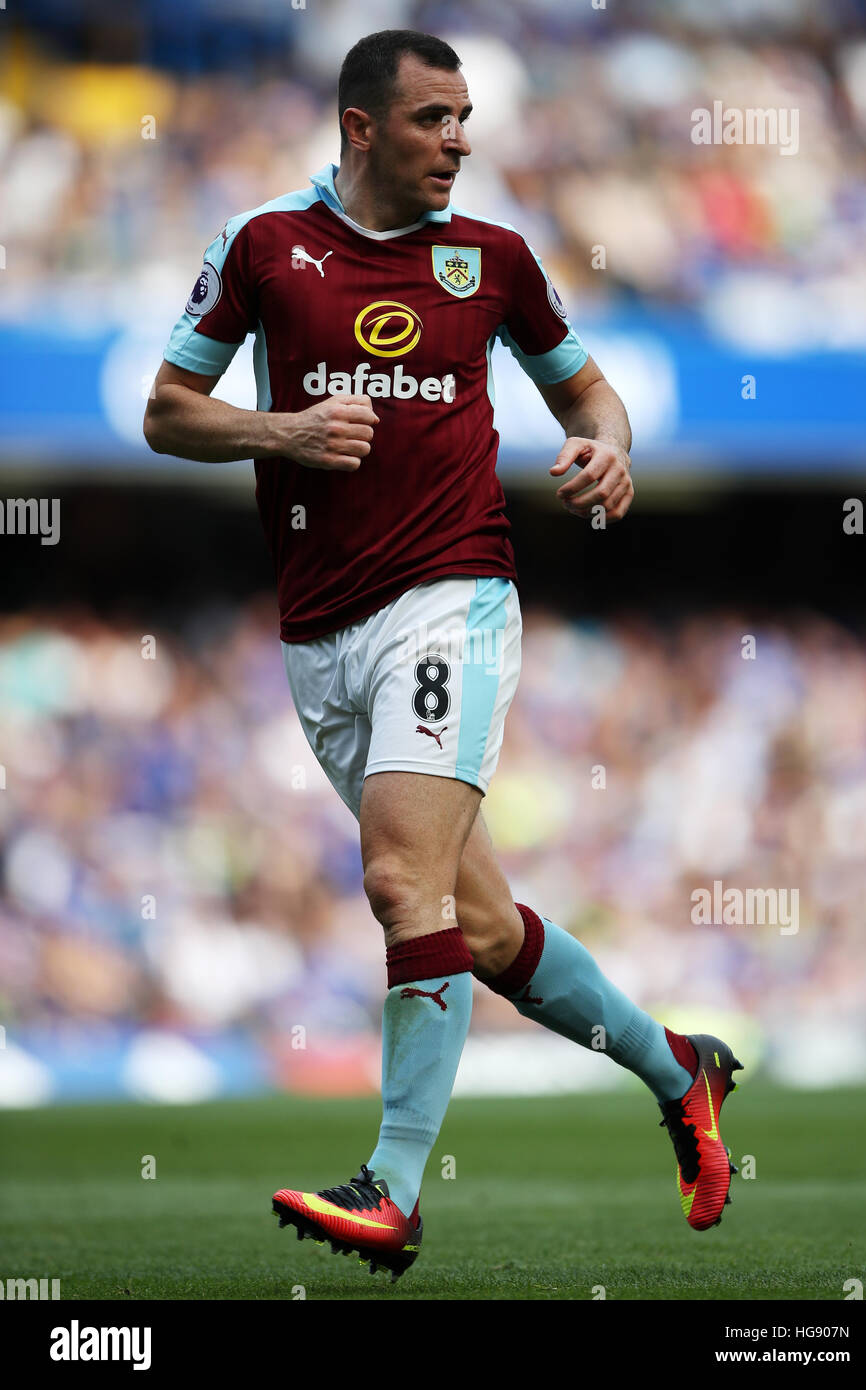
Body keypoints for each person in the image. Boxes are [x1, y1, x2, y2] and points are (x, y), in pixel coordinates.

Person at [144, 28, 741, 1283]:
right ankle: (679, 1067)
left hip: (453, 598)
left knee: (400, 888)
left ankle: (395, 1188)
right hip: (319, 631)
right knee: (471, 924)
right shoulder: (263, 250)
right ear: (362, 126)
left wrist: (612, 447)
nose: (458, 141)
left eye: (466, 118)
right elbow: (168, 412)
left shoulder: (494, 261)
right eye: (432, 119)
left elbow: (589, 393)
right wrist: (284, 429)